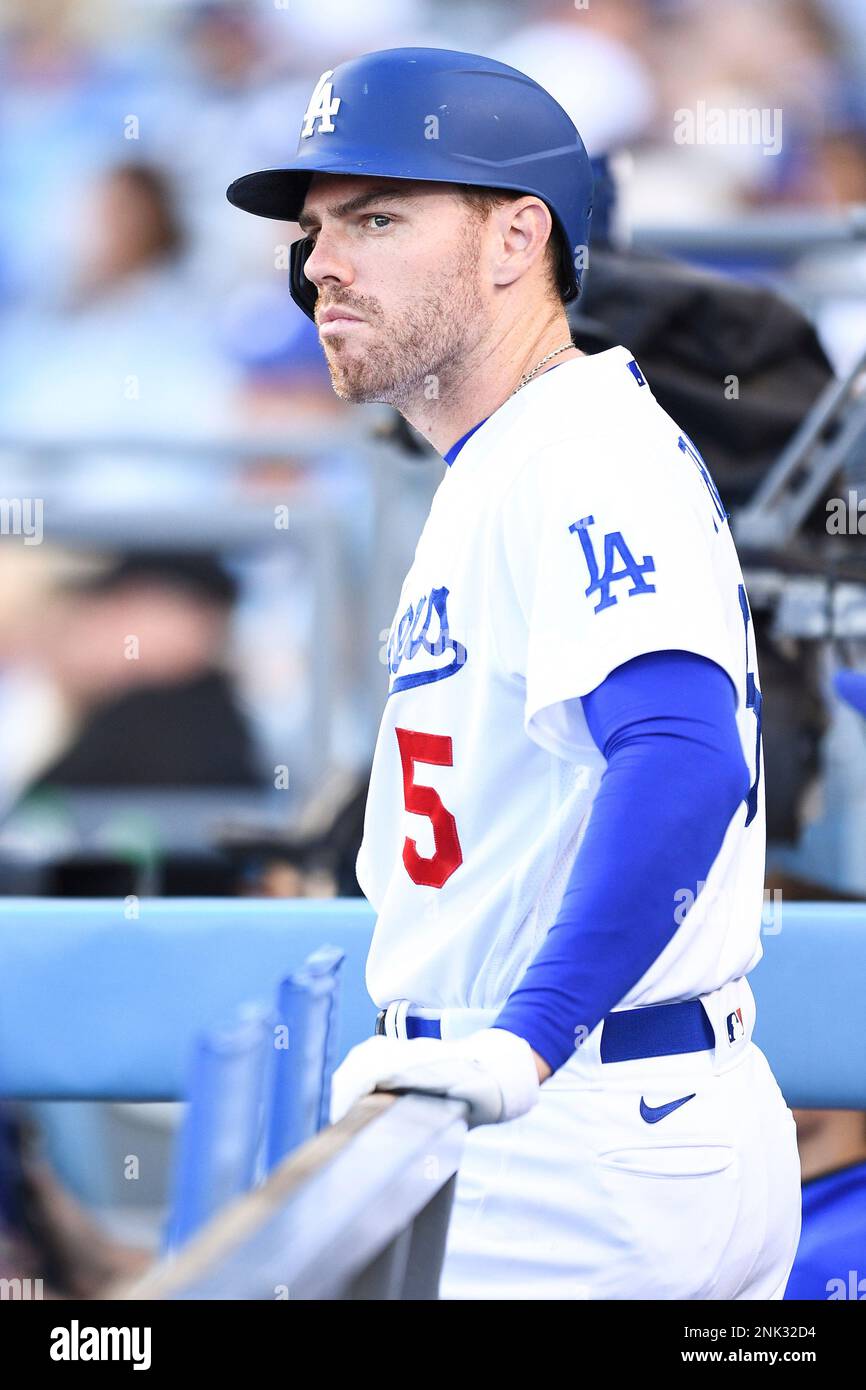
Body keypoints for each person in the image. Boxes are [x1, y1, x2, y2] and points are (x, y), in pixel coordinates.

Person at [227, 47, 802, 1300]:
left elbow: (681, 755)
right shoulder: (509, 457)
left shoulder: (576, 453)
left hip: (566, 1135)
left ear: (514, 240)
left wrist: (523, 1041)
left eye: (378, 218)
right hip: (604, 1112)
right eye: (317, 230)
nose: (322, 261)